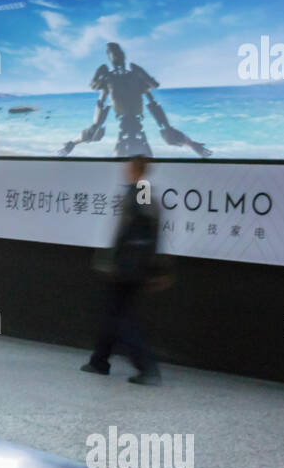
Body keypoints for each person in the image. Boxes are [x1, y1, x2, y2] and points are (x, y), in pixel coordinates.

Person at [81, 154, 171, 385]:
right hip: (137, 266)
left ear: (134, 170)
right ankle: (99, 360)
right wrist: (158, 268)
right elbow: (154, 233)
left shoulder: (138, 193)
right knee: (115, 313)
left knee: (119, 318)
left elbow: (127, 230)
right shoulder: (148, 194)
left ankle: (147, 367)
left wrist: (111, 260)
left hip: (126, 267)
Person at [59, 42, 211, 158]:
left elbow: (158, 109)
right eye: (113, 54)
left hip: (136, 131)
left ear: (123, 55)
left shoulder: (134, 77)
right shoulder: (109, 80)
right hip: (125, 131)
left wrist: (191, 144)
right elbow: (96, 122)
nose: (116, 57)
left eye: (117, 53)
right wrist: (73, 143)